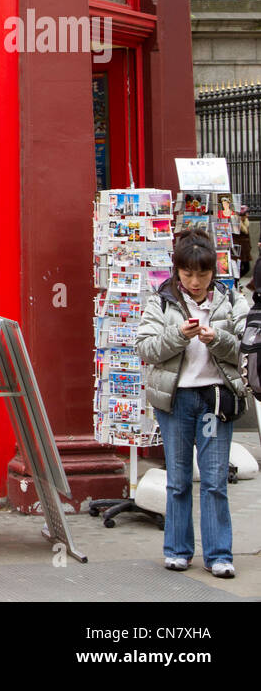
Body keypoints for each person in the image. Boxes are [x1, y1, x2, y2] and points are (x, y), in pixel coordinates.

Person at [135, 229, 249, 577]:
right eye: (188, 274)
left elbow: (244, 347)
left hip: (214, 401)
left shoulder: (229, 301)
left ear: (214, 271)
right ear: (177, 271)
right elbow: (146, 348)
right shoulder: (161, 301)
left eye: (203, 273)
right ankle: (178, 551)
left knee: (214, 479)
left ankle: (219, 556)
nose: (196, 281)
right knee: (179, 479)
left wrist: (218, 339)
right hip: (177, 401)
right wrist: (177, 336)